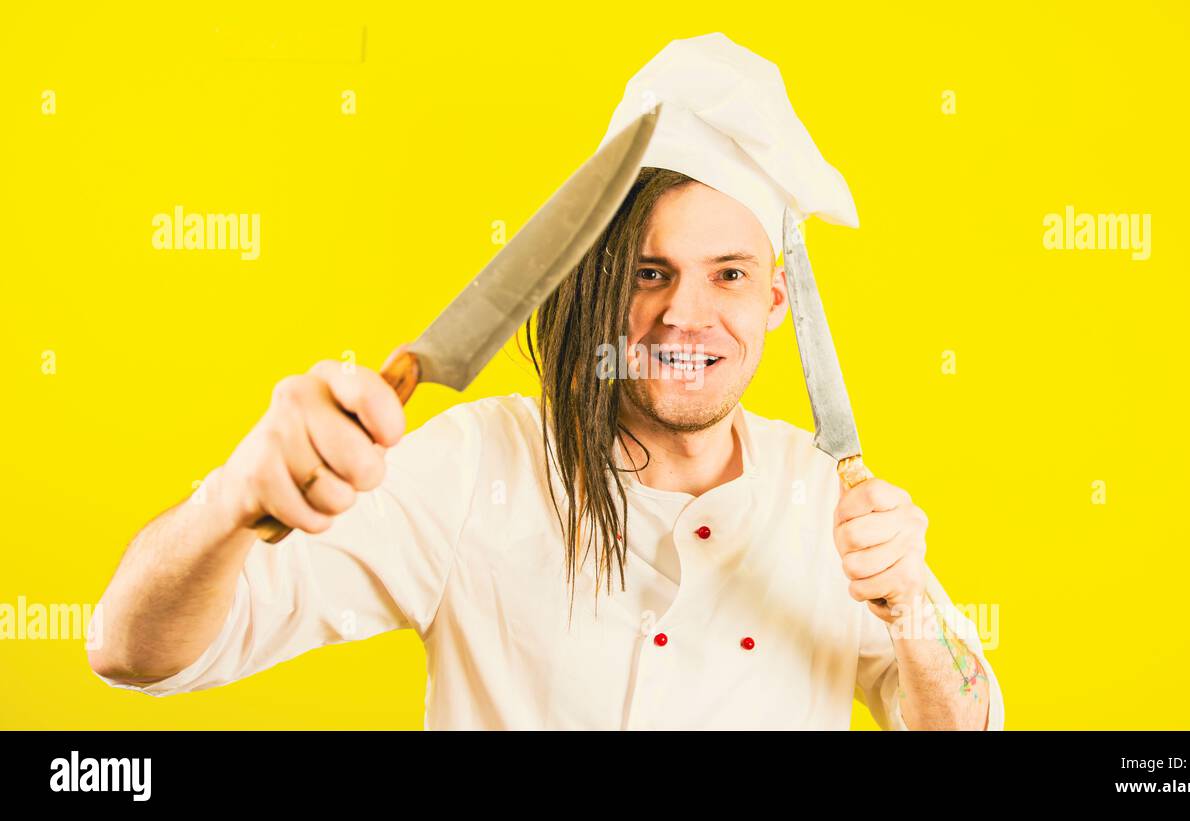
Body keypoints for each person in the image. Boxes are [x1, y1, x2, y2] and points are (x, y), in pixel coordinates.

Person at [89, 33, 1005, 730]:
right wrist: (235, 501)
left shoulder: (826, 502)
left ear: (773, 300)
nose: (687, 314)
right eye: (650, 272)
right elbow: (133, 649)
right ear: (601, 285)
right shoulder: (470, 466)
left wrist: (911, 605)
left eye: (727, 273)